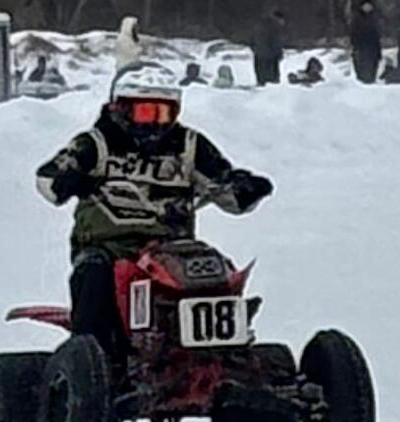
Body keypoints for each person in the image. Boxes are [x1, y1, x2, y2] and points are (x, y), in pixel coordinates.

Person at [35, 68, 270, 346]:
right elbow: (47, 178)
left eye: (165, 114)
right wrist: (67, 181)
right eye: (147, 113)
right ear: (119, 109)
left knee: (214, 267)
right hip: (109, 247)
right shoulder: (96, 144)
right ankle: (89, 350)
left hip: (171, 247)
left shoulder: (189, 145)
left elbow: (223, 186)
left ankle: (227, 345)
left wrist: (245, 189)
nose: (156, 124)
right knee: (93, 273)